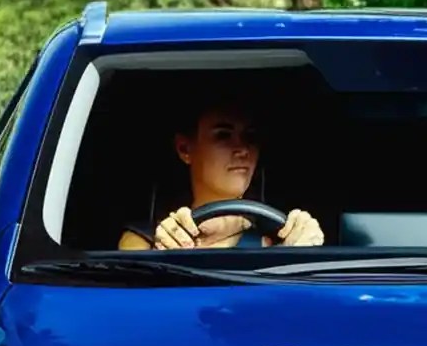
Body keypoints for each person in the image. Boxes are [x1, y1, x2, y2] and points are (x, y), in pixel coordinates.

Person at [118, 102, 324, 250]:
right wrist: (163, 261)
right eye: (223, 135)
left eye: (250, 136)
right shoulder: (146, 241)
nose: (243, 149)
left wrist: (303, 253)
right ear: (184, 149)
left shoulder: (279, 237)